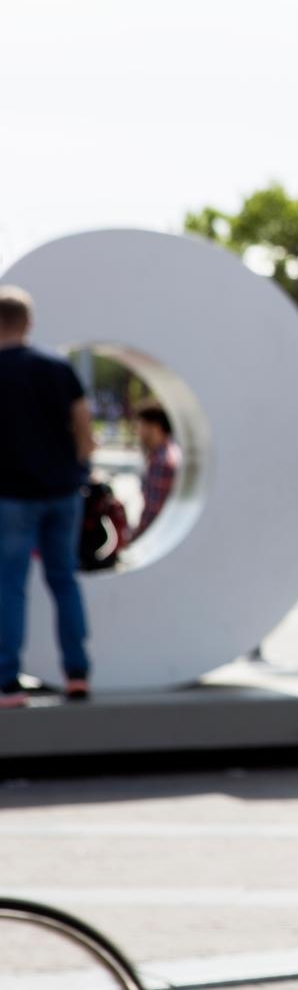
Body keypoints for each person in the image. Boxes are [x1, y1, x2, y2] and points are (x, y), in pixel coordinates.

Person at [0, 286, 94, 707]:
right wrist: (77, 468)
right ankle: (77, 674)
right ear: (29, 322)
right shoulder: (58, 367)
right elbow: (84, 428)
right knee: (64, 581)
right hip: (62, 492)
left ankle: (7, 683)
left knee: (10, 587)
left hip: (12, 496)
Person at [131, 403, 181, 540]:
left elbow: (153, 513)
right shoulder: (170, 452)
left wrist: (134, 538)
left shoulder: (161, 462)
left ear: (155, 427)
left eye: (140, 426)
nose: (138, 432)